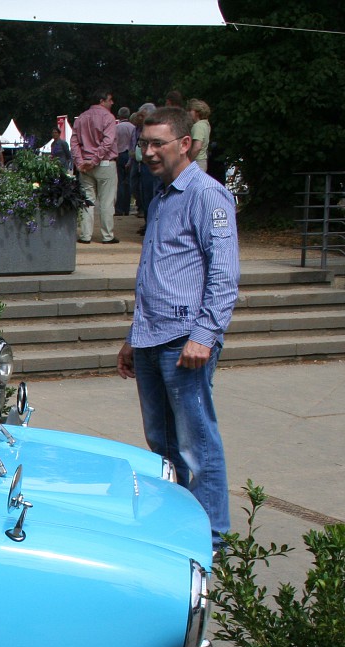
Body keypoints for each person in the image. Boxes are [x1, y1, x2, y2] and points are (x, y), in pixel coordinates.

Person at [115, 106, 239, 549]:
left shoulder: (208, 195)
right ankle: (174, 526)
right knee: (162, 443)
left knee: (196, 443)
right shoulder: (160, 196)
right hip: (152, 337)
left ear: (185, 144)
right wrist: (133, 337)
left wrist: (205, 335)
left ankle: (210, 536)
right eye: (143, 143)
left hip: (184, 341)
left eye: (157, 144)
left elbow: (224, 274)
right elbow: (154, 273)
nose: (147, 152)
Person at [70, 88, 120, 244]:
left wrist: (80, 162)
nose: (112, 102)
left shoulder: (81, 118)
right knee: (106, 201)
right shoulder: (108, 117)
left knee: (87, 201)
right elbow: (108, 142)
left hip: (85, 166)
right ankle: (107, 235)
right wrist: (95, 160)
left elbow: (74, 142)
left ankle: (85, 235)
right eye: (110, 99)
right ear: (102, 100)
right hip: (105, 164)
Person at [114, 106, 136, 216]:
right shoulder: (133, 127)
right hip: (130, 155)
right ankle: (126, 208)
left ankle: (119, 208)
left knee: (119, 182)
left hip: (119, 154)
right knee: (128, 182)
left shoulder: (116, 128)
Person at [187, 98, 212, 173]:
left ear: (197, 112)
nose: (188, 113)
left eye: (190, 110)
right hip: (203, 161)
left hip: (196, 161)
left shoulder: (198, 126)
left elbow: (197, 147)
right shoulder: (206, 124)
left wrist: (188, 161)